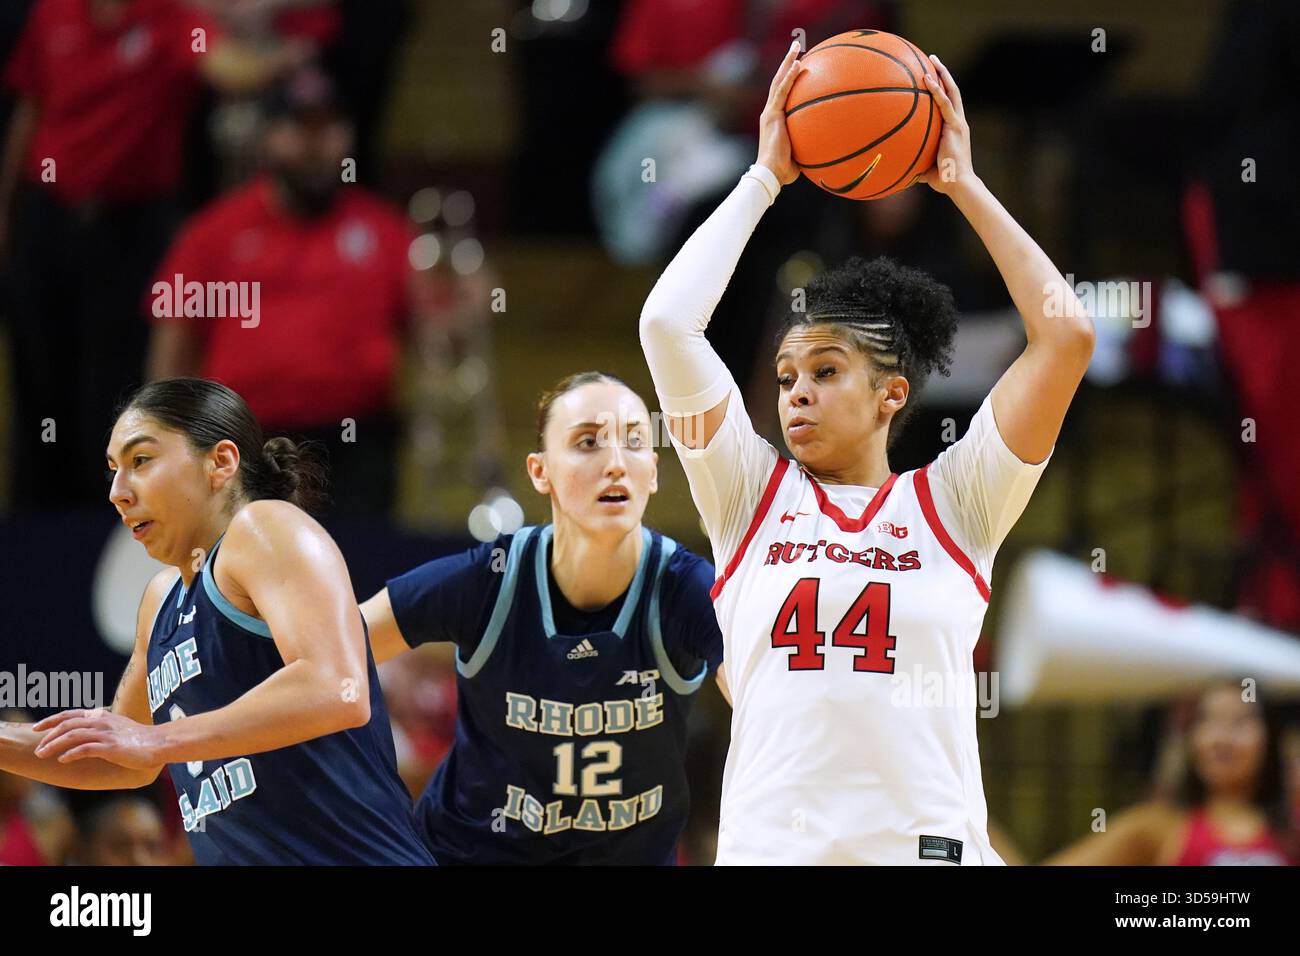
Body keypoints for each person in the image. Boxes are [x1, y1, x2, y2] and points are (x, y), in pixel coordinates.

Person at [639, 43, 1095, 864]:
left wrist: (962, 184)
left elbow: (1065, 334)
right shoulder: (747, 494)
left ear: (892, 394)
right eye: (784, 377)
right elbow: (667, 325)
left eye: (824, 371)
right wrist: (764, 179)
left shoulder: (956, 502)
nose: (796, 393)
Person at [0, 378, 433, 865]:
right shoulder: (159, 601)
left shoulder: (264, 527)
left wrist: (157, 739)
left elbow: (337, 688)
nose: (118, 492)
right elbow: (117, 757)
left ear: (221, 463)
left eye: (140, 460)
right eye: (113, 471)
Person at [360, 371, 727, 864]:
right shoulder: (490, 579)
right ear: (540, 471)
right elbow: (331, 653)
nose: (616, 462)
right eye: (588, 442)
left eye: (635, 441)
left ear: (654, 472)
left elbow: (767, 701)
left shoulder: (685, 588)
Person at [1046, 682, 1295, 865]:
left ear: (1271, 738)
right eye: (1208, 721)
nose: (1222, 739)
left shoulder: (1292, 830)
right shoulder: (1157, 827)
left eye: (1240, 722)